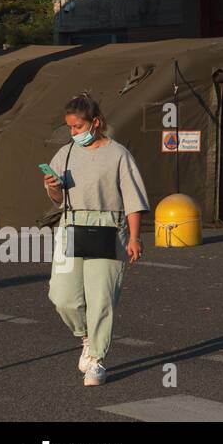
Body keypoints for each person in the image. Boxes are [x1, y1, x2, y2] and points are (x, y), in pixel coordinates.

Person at [42, 92, 149, 387]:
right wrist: (52, 186)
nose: (73, 133)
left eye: (78, 127)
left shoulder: (118, 154)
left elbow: (133, 199)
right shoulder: (64, 154)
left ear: (96, 122)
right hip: (72, 225)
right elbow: (57, 200)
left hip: (109, 227)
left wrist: (135, 238)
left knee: (102, 298)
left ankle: (97, 361)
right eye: (70, 128)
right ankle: (86, 337)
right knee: (62, 297)